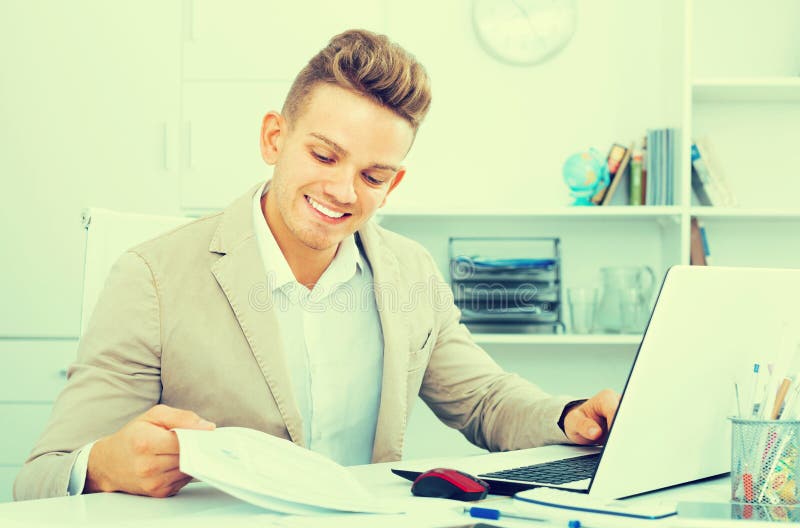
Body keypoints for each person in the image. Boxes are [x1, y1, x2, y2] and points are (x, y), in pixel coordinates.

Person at [14, 29, 619, 501]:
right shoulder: (152, 275)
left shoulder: (409, 273)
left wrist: (570, 418)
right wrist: (106, 465)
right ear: (275, 138)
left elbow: (484, 400)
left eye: (373, 175)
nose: (343, 190)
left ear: (395, 182)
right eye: (325, 155)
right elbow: (39, 477)